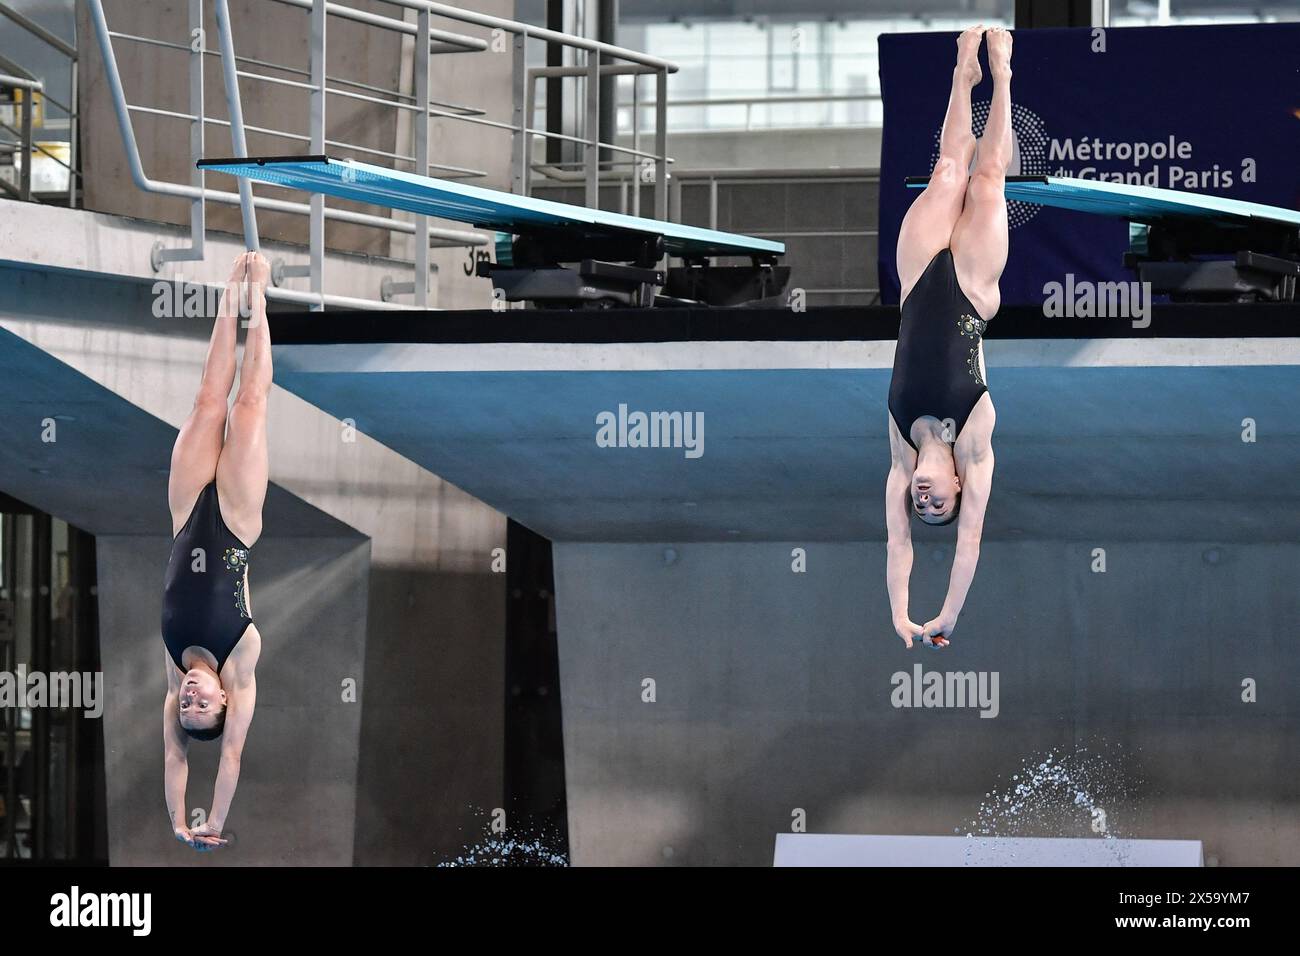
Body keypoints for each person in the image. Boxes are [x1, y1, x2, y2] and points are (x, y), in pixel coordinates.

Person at [886, 26, 1012, 649]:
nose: (926, 502)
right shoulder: (976, 442)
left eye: (922, 507)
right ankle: (1005, 77)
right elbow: (971, 543)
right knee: (987, 181)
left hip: (916, 280)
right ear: (959, 488)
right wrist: (949, 616)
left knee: (945, 174)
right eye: (940, 506)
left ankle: (964, 73)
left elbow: (896, 543)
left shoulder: (899, 447)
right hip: (971, 288)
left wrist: (901, 614)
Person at [161, 251, 271, 849]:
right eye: (203, 707)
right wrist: (214, 824)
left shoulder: (172, 662)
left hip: (184, 512)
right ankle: (263, 302)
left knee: (208, 401)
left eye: (186, 710)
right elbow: (228, 760)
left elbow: (176, 759)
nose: (191, 700)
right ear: (225, 700)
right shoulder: (240, 662)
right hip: (234, 520)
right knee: (249, 404)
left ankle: (232, 293)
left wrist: (178, 821)